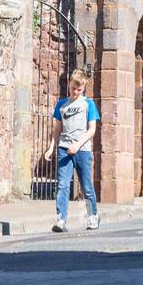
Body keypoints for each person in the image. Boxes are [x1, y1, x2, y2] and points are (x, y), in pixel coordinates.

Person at [44, 68, 100, 233]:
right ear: (69, 85)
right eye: (73, 88)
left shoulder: (88, 104)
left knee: (86, 186)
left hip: (82, 150)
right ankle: (61, 220)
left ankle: (92, 216)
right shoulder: (62, 105)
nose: (75, 92)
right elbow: (57, 129)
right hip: (64, 149)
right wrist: (51, 147)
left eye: (79, 89)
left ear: (84, 87)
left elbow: (92, 129)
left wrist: (78, 144)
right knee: (62, 185)